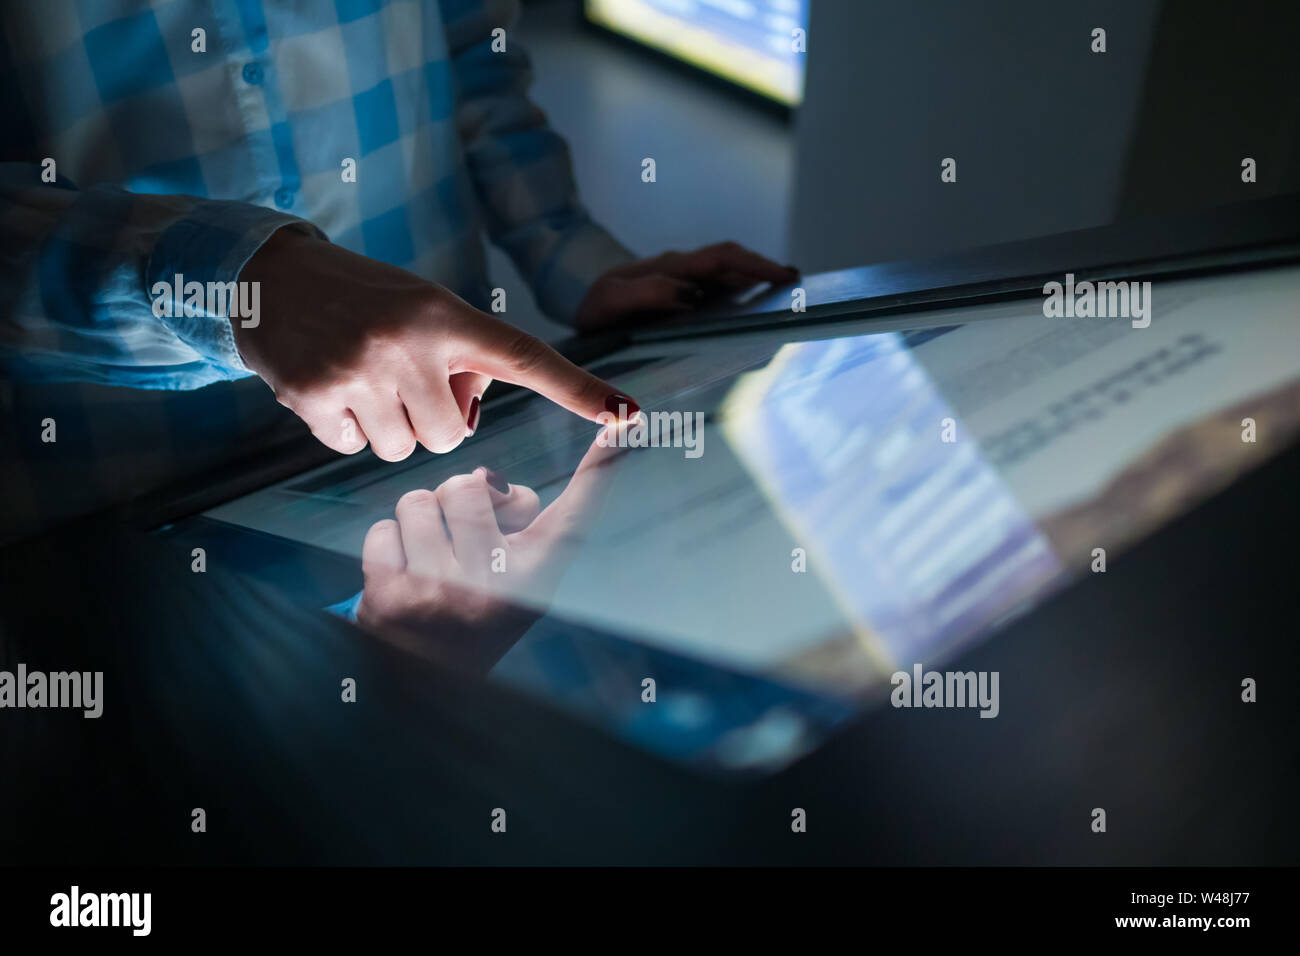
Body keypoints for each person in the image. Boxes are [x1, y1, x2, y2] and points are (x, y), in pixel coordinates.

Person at [0, 0, 795, 540]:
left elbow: (467, 44)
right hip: (114, 517)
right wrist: (243, 291)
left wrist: (569, 252)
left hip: (446, 471)